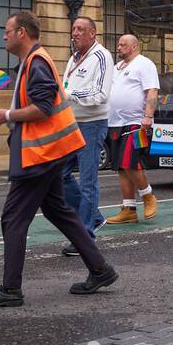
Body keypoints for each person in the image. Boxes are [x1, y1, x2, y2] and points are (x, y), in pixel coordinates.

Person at [0, 10, 117, 306]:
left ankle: (11, 290)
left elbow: (44, 107)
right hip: (49, 151)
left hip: (41, 153)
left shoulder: (36, 61)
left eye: (8, 31)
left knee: (13, 218)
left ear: (22, 32)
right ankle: (100, 269)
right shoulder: (32, 61)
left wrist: (7, 114)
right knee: (58, 211)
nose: (4, 35)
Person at [60, 15, 113, 254]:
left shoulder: (102, 56)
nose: (76, 32)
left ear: (93, 33)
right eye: (74, 29)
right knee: (60, 175)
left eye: (81, 29)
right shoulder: (74, 58)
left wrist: (68, 96)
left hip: (92, 124)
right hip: (72, 123)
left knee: (88, 180)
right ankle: (95, 216)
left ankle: (85, 236)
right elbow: (66, 87)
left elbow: (100, 92)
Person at [105, 34, 161, 224]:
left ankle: (148, 196)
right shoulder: (116, 68)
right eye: (118, 44)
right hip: (114, 123)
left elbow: (152, 91)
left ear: (135, 46)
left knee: (131, 162)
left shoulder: (144, 64)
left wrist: (148, 116)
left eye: (123, 44)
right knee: (121, 167)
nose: (118, 47)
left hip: (136, 123)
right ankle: (128, 209)